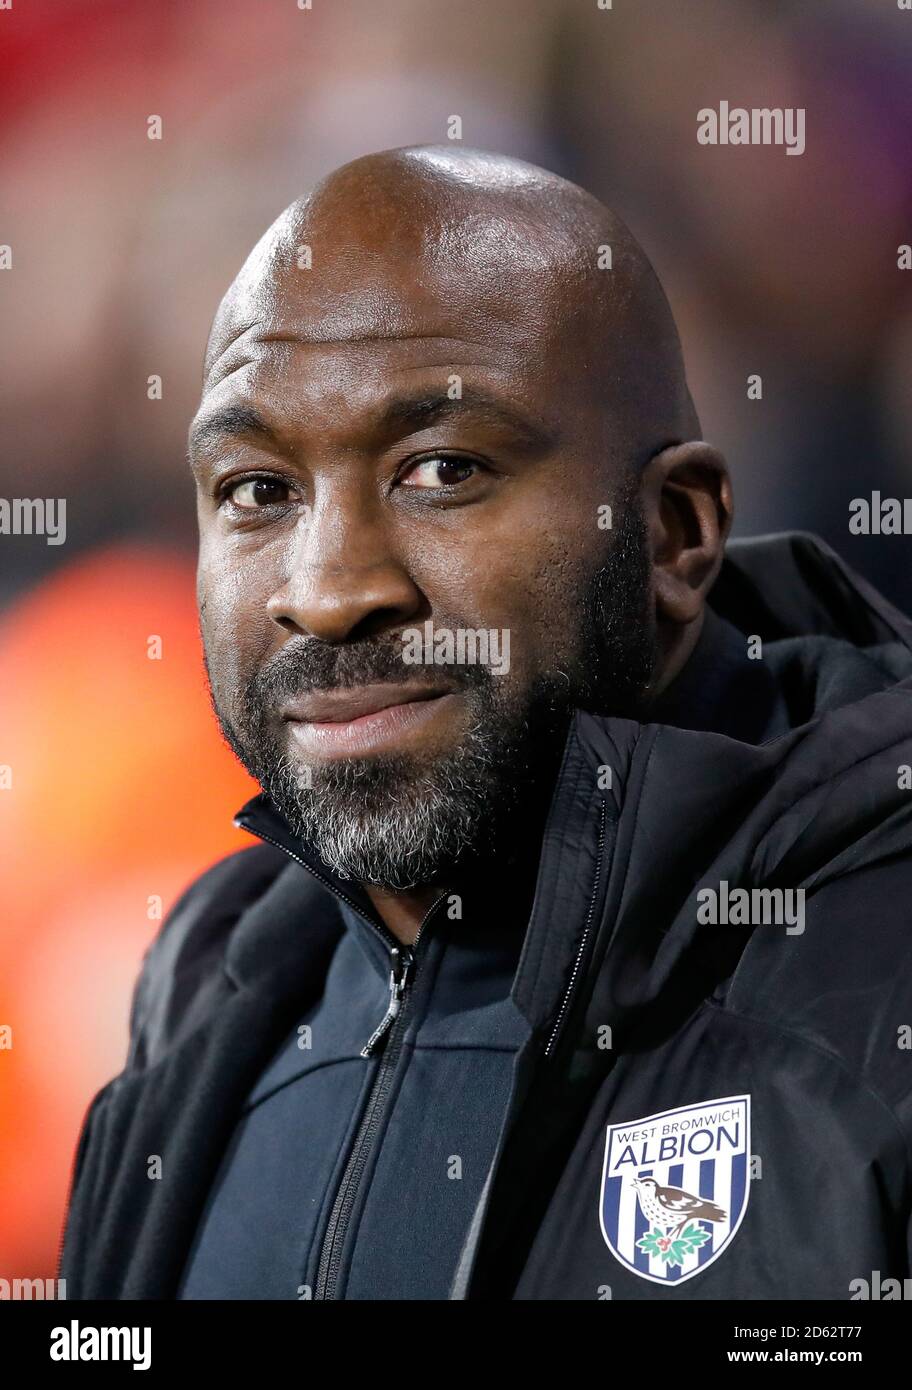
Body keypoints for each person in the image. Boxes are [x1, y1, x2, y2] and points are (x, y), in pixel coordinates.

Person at [59, 147, 912, 1300]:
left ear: (672, 533)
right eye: (259, 490)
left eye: (442, 469)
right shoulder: (212, 988)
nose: (327, 587)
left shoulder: (878, 981)